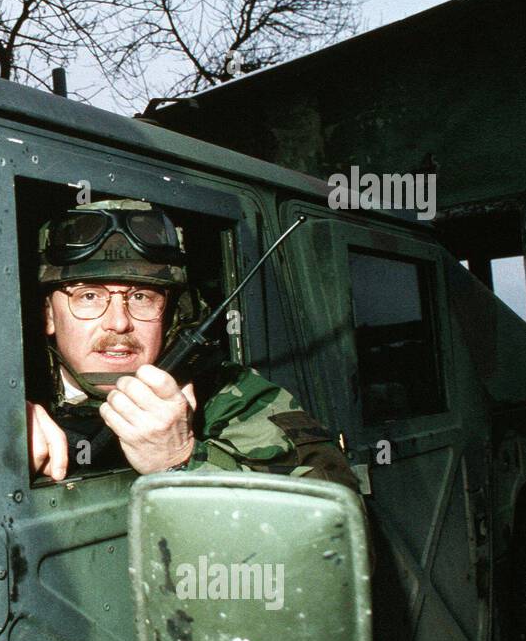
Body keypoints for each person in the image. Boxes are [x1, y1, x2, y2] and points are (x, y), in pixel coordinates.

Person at [27, 199, 360, 496]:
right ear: (48, 316)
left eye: (142, 297)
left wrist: (181, 461)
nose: (118, 322)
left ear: (171, 314)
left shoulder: (230, 396)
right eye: (89, 296)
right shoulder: (6, 390)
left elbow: (339, 537)